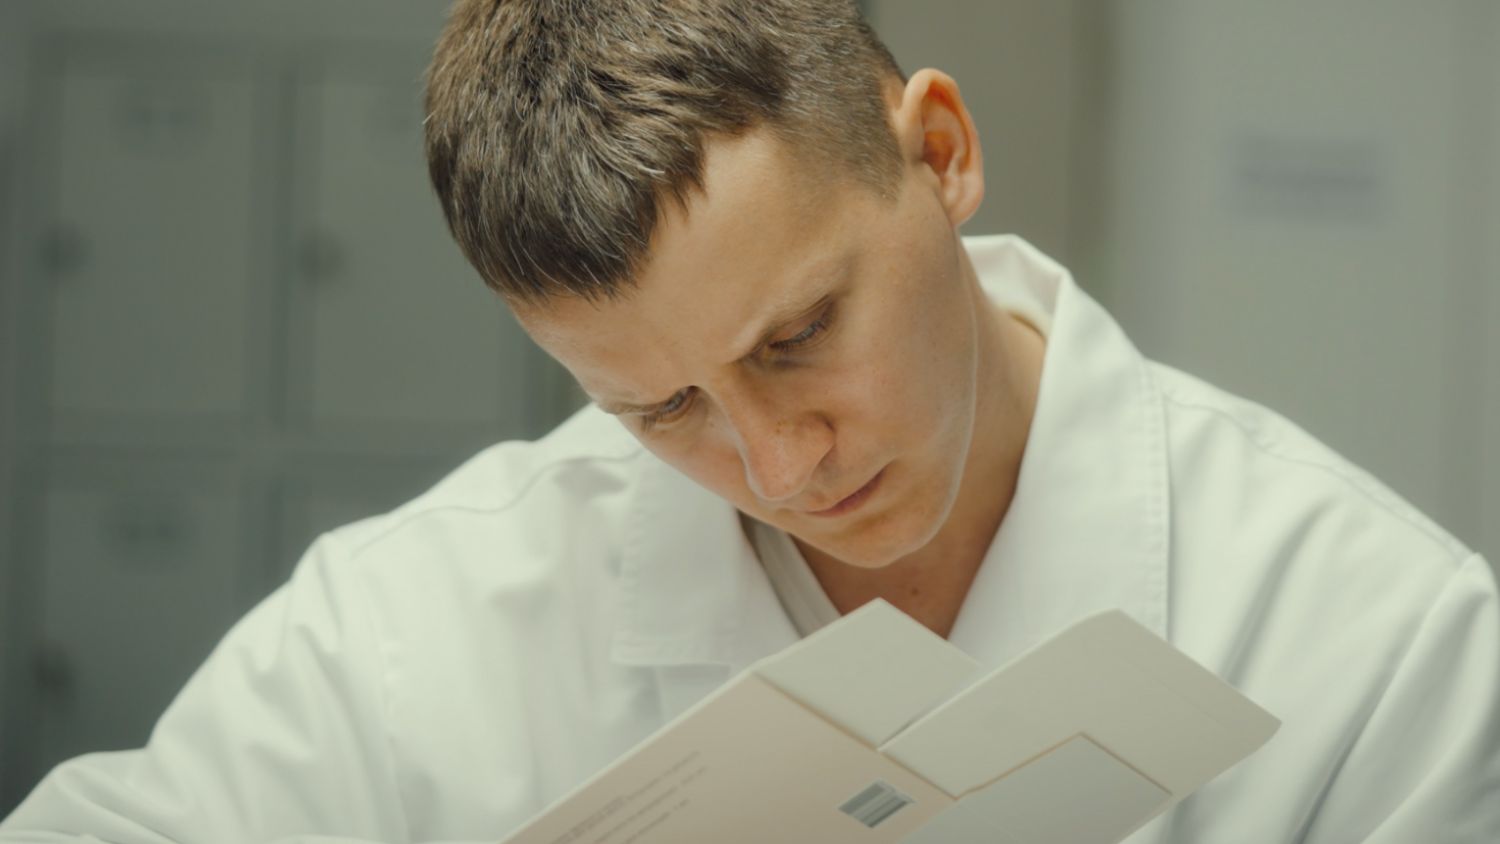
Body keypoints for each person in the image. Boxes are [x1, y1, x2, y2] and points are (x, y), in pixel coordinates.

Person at [4, 0, 1498, 841]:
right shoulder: (407, 642)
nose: (780, 465)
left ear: (940, 152)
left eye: (799, 336)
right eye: (660, 407)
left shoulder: (1378, 643)